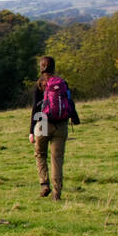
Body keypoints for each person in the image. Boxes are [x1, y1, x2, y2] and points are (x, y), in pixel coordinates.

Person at [28, 55, 80, 200]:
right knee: (57, 158)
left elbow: (35, 109)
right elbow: (70, 102)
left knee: (40, 154)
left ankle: (44, 184)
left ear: (41, 68)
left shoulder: (39, 84)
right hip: (61, 124)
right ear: (54, 67)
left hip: (43, 122)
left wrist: (32, 130)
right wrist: (74, 118)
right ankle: (57, 193)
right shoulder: (62, 83)